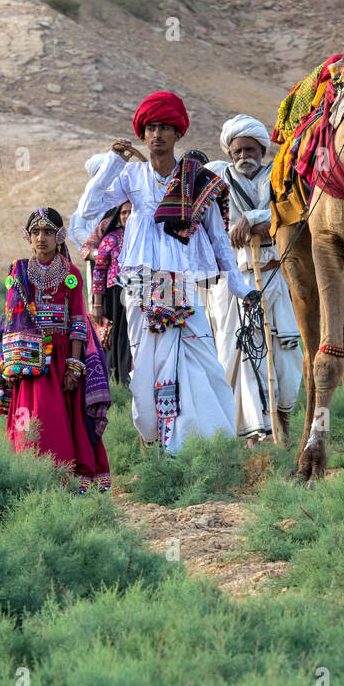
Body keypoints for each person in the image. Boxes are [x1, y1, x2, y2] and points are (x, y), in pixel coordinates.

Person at [71, 90, 260, 454]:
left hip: (181, 284)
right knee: (144, 369)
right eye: (151, 128)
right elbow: (89, 208)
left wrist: (239, 287)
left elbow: (219, 239)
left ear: (178, 134)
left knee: (198, 361)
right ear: (142, 134)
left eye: (165, 128)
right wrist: (113, 160)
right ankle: (155, 445)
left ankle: (200, 445)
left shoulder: (196, 179)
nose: (157, 135)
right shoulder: (131, 176)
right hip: (140, 284)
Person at [0, 206, 111, 491]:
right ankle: (29, 480)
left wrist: (74, 366)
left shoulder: (71, 274)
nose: (41, 238)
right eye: (35, 232)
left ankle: (64, 480)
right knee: (30, 424)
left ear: (59, 235)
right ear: (29, 237)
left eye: (48, 232)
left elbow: (76, 322)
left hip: (61, 360)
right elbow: (10, 319)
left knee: (59, 424)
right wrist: (10, 363)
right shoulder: (19, 273)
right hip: (28, 364)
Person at [206, 114, 302, 444]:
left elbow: (295, 211)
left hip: (274, 275)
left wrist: (256, 217)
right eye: (237, 152)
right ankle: (251, 432)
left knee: (285, 352)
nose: (243, 156)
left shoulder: (276, 178)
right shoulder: (217, 181)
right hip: (234, 283)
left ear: (261, 149)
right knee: (241, 353)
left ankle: (281, 419)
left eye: (250, 150)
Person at [90, 200, 132, 385]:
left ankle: (130, 380)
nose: (126, 216)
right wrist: (97, 304)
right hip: (114, 295)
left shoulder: (144, 236)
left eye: (131, 212)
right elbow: (98, 271)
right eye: (123, 213)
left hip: (138, 293)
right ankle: (116, 380)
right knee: (115, 337)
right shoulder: (111, 239)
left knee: (134, 337)